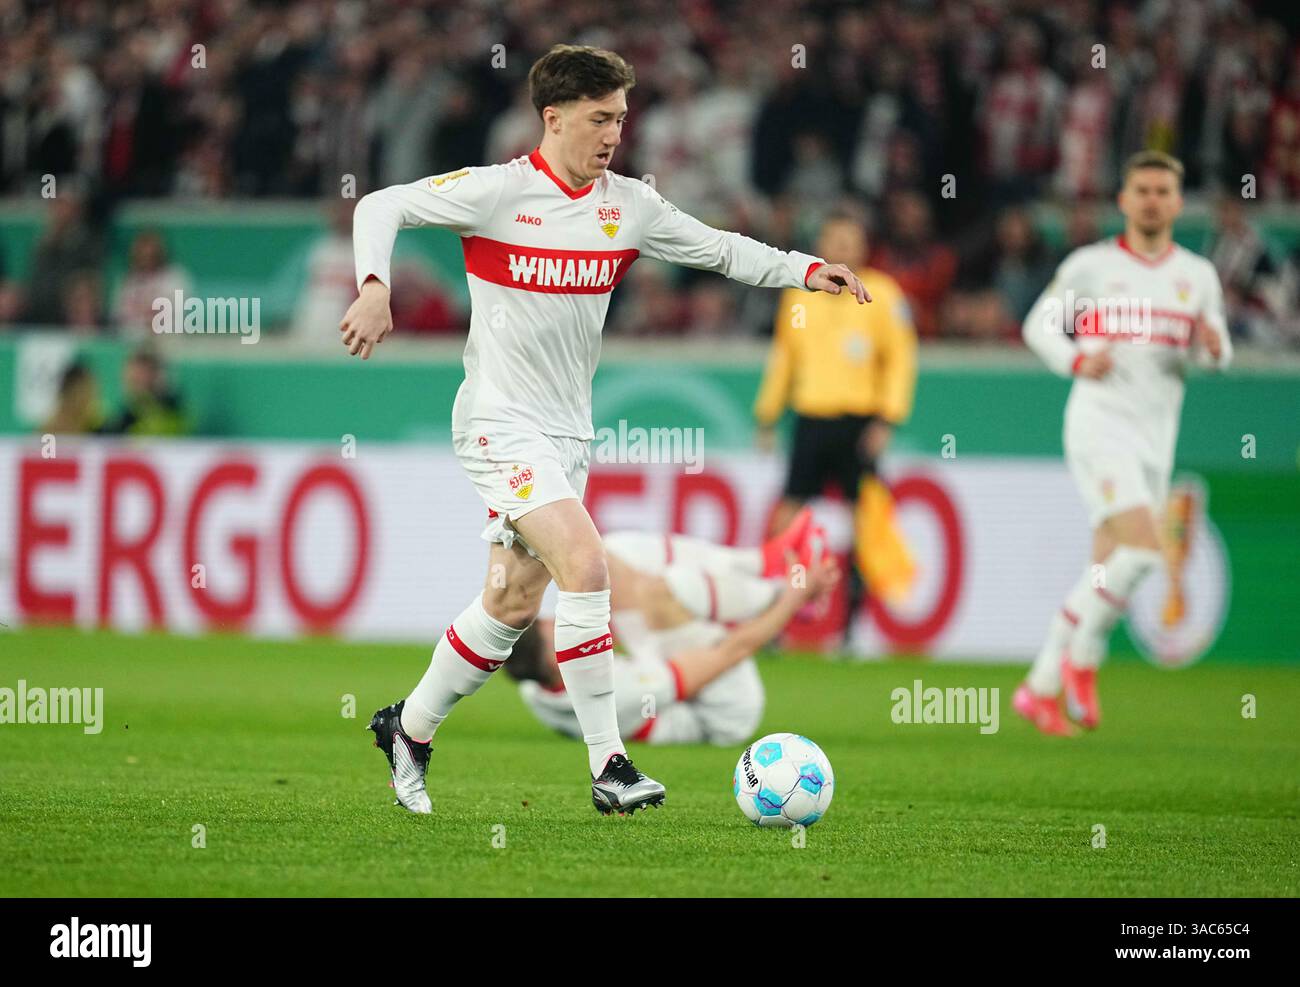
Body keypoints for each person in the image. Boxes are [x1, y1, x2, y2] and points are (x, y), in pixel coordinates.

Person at [339, 44, 869, 816]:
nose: (614, 133)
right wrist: (376, 286)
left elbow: (718, 249)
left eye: (620, 117)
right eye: (598, 118)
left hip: (566, 436)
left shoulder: (630, 207)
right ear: (552, 118)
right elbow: (377, 205)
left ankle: (407, 727)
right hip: (497, 420)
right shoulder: (498, 193)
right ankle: (610, 764)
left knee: (511, 604)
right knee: (587, 566)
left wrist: (802, 268)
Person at [1016, 150, 1231, 736]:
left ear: (1179, 203)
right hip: (1098, 423)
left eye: (1164, 191)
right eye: (1143, 190)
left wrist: (1212, 353)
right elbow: (1038, 324)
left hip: (1155, 438)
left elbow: (1217, 356)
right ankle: (1082, 660)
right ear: (1124, 200)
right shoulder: (1091, 266)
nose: (1153, 200)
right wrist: (1076, 359)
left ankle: (1039, 689)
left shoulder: (1198, 277)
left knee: (1108, 567)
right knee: (1144, 551)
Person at [510, 519, 839, 748]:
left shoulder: (535, 686)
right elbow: (732, 651)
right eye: (548, 627)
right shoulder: (622, 692)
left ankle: (762, 561)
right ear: (556, 661)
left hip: (664, 676)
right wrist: (794, 598)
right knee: (665, 592)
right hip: (722, 710)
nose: (556, 620)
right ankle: (785, 588)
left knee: (605, 557)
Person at [753, 205, 916, 633]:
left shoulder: (883, 294)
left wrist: (888, 418)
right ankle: (772, 614)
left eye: (850, 240)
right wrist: (767, 414)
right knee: (787, 518)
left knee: (865, 522)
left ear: (863, 246)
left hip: (859, 425)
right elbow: (783, 360)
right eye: (834, 240)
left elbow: (900, 359)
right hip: (811, 419)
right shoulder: (801, 294)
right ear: (822, 246)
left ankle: (852, 626)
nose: (842, 247)